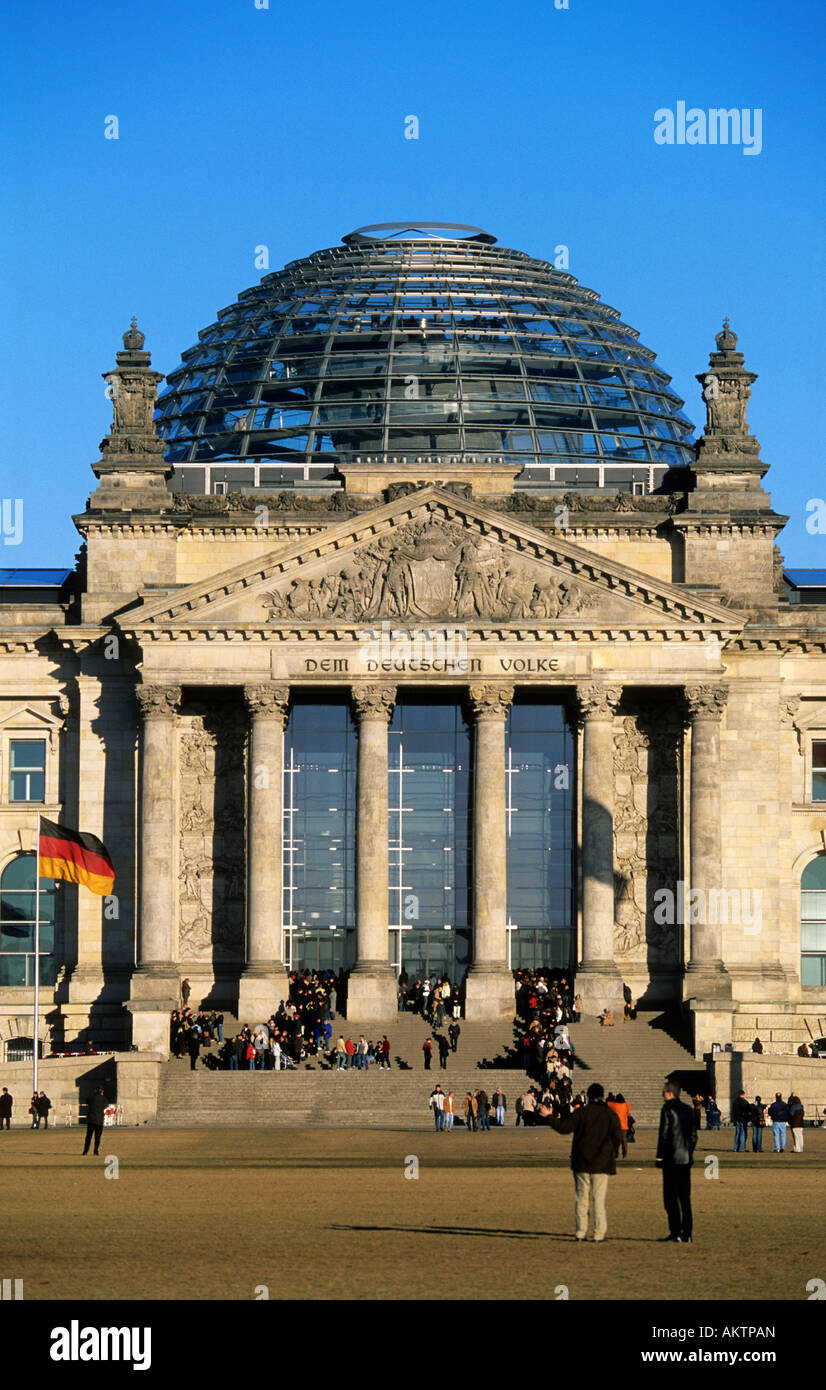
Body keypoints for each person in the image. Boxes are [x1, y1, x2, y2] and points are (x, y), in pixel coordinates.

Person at [549, 1081, 622, 1242]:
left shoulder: (582, 1113)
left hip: (582, 1161)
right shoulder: (609, 1114)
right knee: (598, 1200)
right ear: (602, 1096)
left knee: (581, 1198)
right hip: (601, 1162)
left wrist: (548, 1117)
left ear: (588, 1096)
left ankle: (580, 1231)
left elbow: (564, 1128)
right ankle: (598, 1233)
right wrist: (614, 1152)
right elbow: (617, 1135)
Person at [656, 1081, 697, 1243]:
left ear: (669, 1093)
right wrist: (688, 1152)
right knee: (685, 1198)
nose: (662, 1094)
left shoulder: (667, 1109)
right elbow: (694, 1136)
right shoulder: (688, 1110)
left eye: (664, 1091)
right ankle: (687, 1233)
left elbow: (664, 1135)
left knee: (670, 1198)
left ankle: (675, 1232)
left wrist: (660, 1157)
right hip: (685, 1158)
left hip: (671, 1159)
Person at [82, 1087, 107, 1156]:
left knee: (88, 1137)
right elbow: (105, 1106)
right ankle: (96, 1151)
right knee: (97, 1137)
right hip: (99, 1121)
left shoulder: (91, 1097)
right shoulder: (104, 1099)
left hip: (91, 1120)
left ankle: (85, 1151)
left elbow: (87, 1102)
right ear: (101, 1091)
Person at [607, 1093, 632, 1158]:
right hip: (624, 1126)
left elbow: (608, 1103)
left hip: (616, 1126)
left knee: (615, 1141)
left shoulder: (614, 1105)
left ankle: (616, 1154)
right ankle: (625, 1153)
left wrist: (611, 1098)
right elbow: (629, 1107)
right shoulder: (626, 1105)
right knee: (624, 1141)